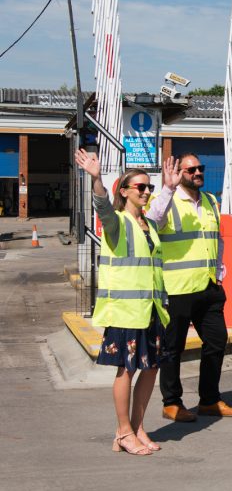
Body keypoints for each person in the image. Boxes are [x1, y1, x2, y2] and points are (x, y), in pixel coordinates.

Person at [74, 148, 169, 456]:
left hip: (150, 310)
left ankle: (138, 427)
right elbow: (101, 206)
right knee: (126, 371)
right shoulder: (116, 223)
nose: (145, 191)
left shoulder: (151, 226)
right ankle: (123, 431)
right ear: (124, 191)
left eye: (148, 187)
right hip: (126, 312)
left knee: (151, 368)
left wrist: (167, 187)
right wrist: (97, 179)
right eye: (140, 187)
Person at [146, 153, 232, 421]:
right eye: (191, 170)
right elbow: (151, 221)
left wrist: (219, 271)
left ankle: (209, 400)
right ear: (179, 173)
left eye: (200, 168)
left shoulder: (211, 201)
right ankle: (172, 403)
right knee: (172, 348)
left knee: (217, 341)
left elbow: (216, 237)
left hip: (208, 287)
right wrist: (167, 187)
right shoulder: (167, 201)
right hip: (177, 288)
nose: (198, 173)